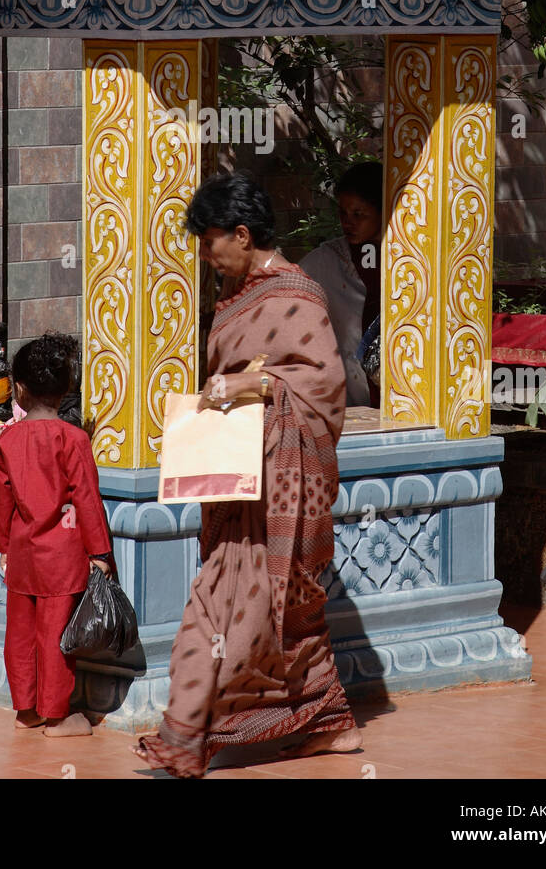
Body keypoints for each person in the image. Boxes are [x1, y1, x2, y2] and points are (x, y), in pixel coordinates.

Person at [133, 171, 361, 777]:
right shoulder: (236, 298)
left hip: (285, 487)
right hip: (238, 488)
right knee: (263, 608)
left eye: (210, 242)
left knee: (252, 610)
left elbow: (325, 388)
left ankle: (187, 736)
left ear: (241, 234)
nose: (205, 255)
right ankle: (327, 721)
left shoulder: (298, 294)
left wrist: (253, 384)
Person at [0, 332, 112, 736]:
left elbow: (2, 503)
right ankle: (58, 716)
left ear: (19, 389)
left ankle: (27, 709)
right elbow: (88, 500)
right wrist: (100, 552)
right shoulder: (75, 440)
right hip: (63, 555)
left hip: (23, 553)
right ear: (67, 389)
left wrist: (4, 547)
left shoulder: (6, 440)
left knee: (20, 634)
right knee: (56, 636)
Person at [300, 162, 383, 410]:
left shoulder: (406, 257)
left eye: (359, 215)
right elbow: (287, 286)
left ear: (382, 211)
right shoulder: (328, 259)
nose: (348, 222)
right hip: (350, 396)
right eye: (343, 214)